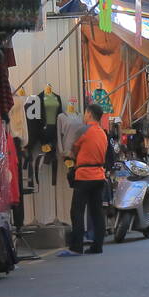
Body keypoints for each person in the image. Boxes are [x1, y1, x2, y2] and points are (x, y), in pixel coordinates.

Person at [61, 103, 109, 255]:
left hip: (84, 175)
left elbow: (73, 149)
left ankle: (76, 247)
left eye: (85, 113)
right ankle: (98, 246)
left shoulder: (83, 129)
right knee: (97, 212)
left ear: (88, 114)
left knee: (77, 211)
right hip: (99, 175)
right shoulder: (103, 133)